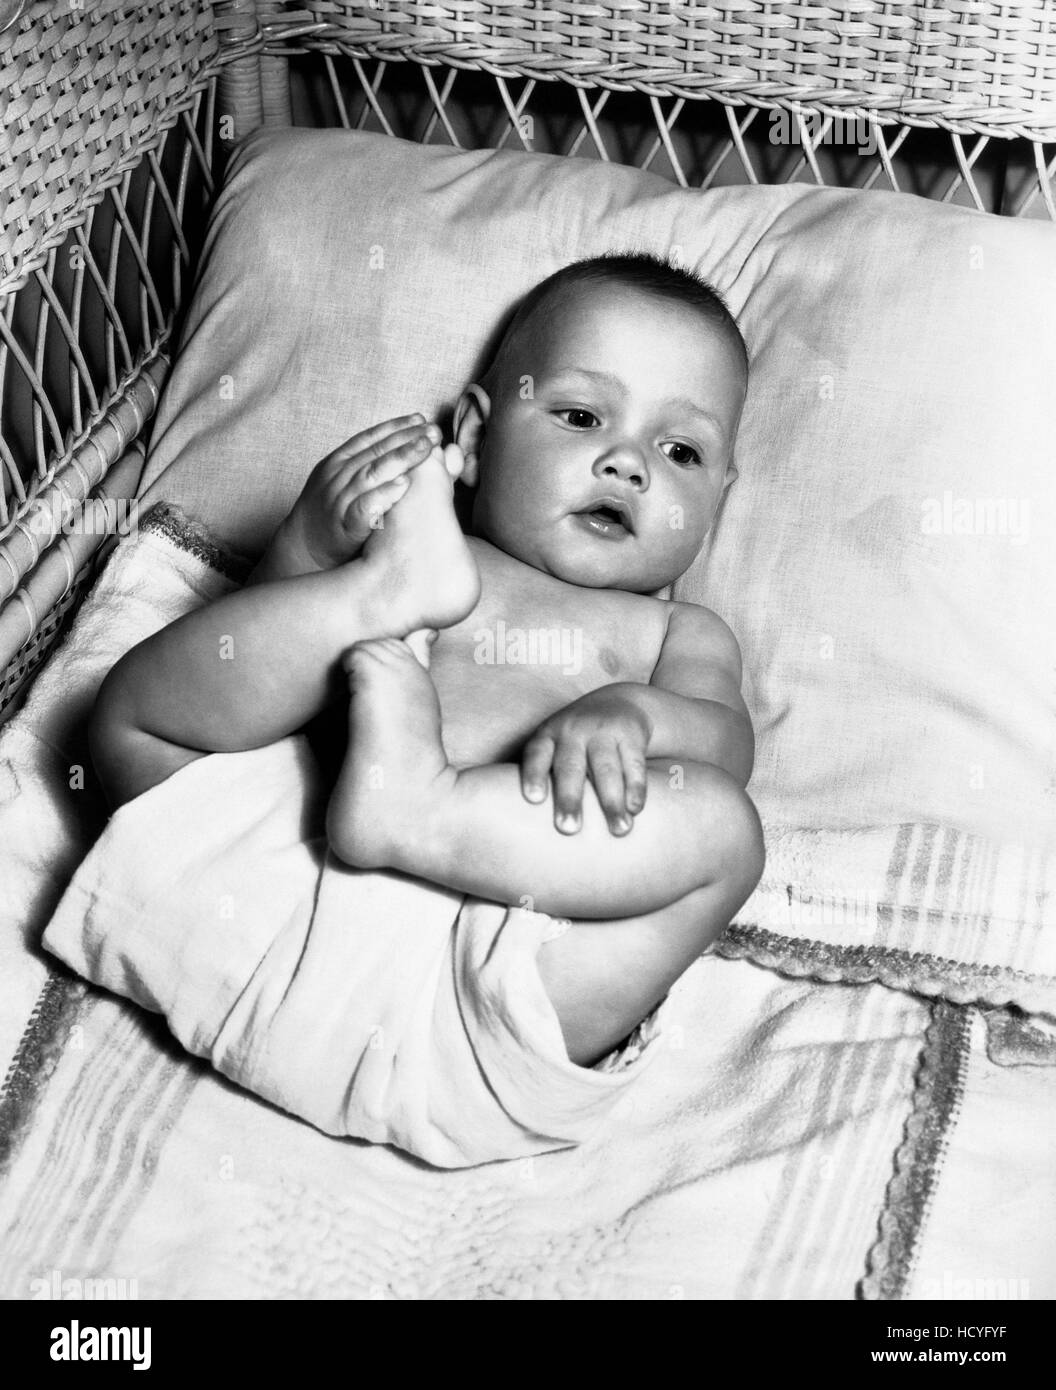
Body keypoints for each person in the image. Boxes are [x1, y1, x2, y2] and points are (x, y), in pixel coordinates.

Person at [88, 252, 765, 1076]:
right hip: (262, 885)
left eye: (681, 453)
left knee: (727, 834)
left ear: (718, 502)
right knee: (132, 714)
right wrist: (308, 546)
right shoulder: (417, 542)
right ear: (476, 437)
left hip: (482, 983)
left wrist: (634, 713)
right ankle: (376, 633)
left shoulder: (676, 635)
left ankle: (422, 815)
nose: (630, 464)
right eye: (584, 417)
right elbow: (244, 660)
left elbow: (724, 746)